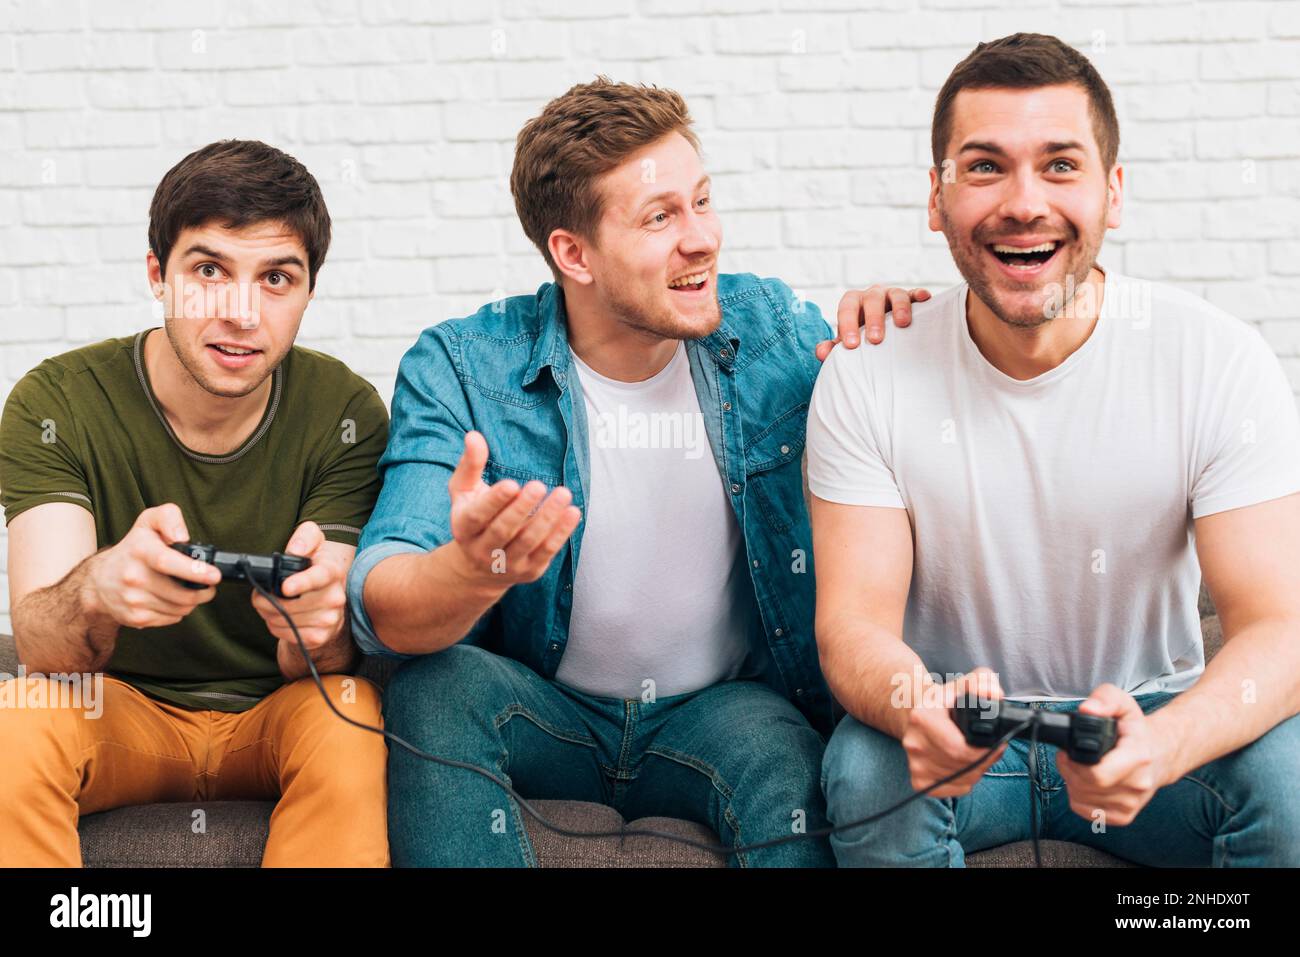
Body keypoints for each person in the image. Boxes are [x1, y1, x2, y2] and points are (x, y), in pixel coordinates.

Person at [347, 78, 925, 867]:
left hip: (721, 712)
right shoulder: (462, 365)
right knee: (431, 692)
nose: (702, 239)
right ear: (572, 253)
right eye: (660, 217)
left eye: (702, 201)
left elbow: (901, 435)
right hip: (547, 707)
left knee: (785, 757)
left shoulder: (773, 329)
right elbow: (382, 598)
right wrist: (471, 571)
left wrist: (907, 341)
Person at [811, 34, 1300, 867]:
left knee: (1288, 785)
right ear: (937, 197)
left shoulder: (1216, 359)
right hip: (956, 731)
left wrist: (1167, 744)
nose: (1023, 202)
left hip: (1150, 717)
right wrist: (917, 704)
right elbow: (852, 624)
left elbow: (1279, 629)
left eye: (1060, 165)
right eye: (985, 167)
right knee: (866, 772)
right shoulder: (868, 371)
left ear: (1114, 191)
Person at [0, 140, 391, 867]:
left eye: (277, 277)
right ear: (158, 275)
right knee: (16, 718)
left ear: (310, 292)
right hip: (115, 710)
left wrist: (314, 619)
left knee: (351, 714)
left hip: (277, 712)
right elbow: (42, 649)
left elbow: (328, 660)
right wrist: (99, 589)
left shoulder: (347, 411)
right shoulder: (55, 401)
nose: (242, 312)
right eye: (209, 270)